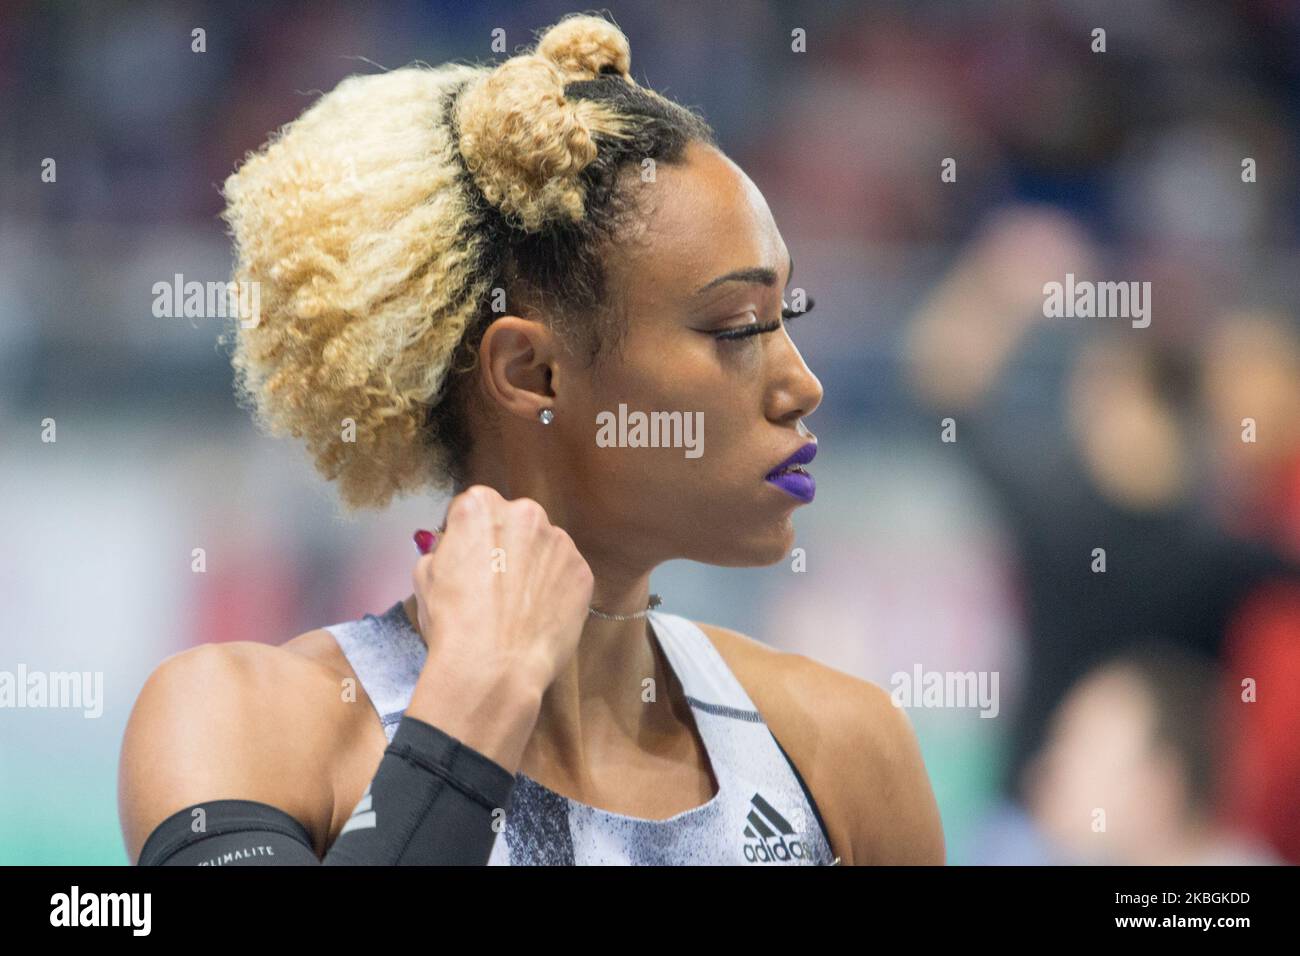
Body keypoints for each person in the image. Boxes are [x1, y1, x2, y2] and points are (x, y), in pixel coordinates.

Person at [117, 13, 944, 866]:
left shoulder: (844, 750)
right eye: (738, 327)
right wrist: (479, 699)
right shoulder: (242, 719)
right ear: (532, 373)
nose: (802, 385)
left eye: (787, 317)